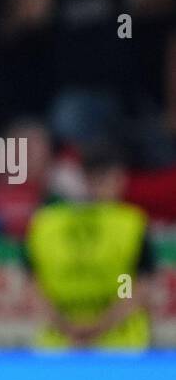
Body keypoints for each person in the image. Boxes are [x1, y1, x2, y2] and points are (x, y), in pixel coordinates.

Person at [24, 143, 155, 350]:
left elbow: (35, 286)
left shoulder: (45, 222)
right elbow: (130, 284)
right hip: (119, 342)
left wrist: (66, 326)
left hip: (61, 341)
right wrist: (102, 324)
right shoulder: (129, 224)